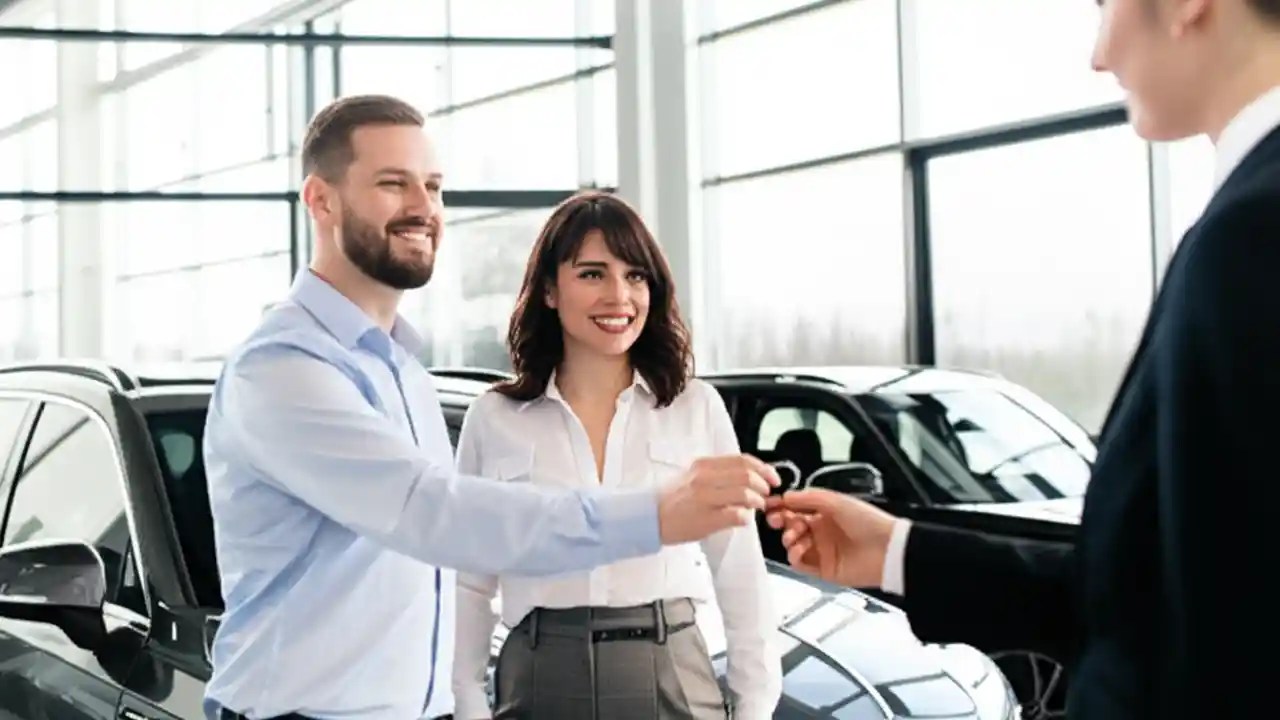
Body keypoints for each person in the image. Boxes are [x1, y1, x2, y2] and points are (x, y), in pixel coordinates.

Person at [766, 1, 1280, 718]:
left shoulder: (1253, 232)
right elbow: (1150, 598)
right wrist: (895, 549)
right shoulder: (1239, 218)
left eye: (1105, 6)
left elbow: (1225, 650)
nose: (1100, 54)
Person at [201, 95, 779, 720]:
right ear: (321, 200)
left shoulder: (402, 371)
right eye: (392, 184)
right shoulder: (284, 368)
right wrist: (655, 514)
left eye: (433, 186)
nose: (423, 208)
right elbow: (437, 518)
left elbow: (440, 571)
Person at [450, 191, 782, 720]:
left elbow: (739, 570)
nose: (619, 296)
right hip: (538, 673)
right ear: (549, 291)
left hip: (669, 667)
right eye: (592, 274)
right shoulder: (495, 418)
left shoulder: (694, 408)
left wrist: (755, 704)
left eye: (635, 276)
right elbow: (469, 580)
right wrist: (467, 701)